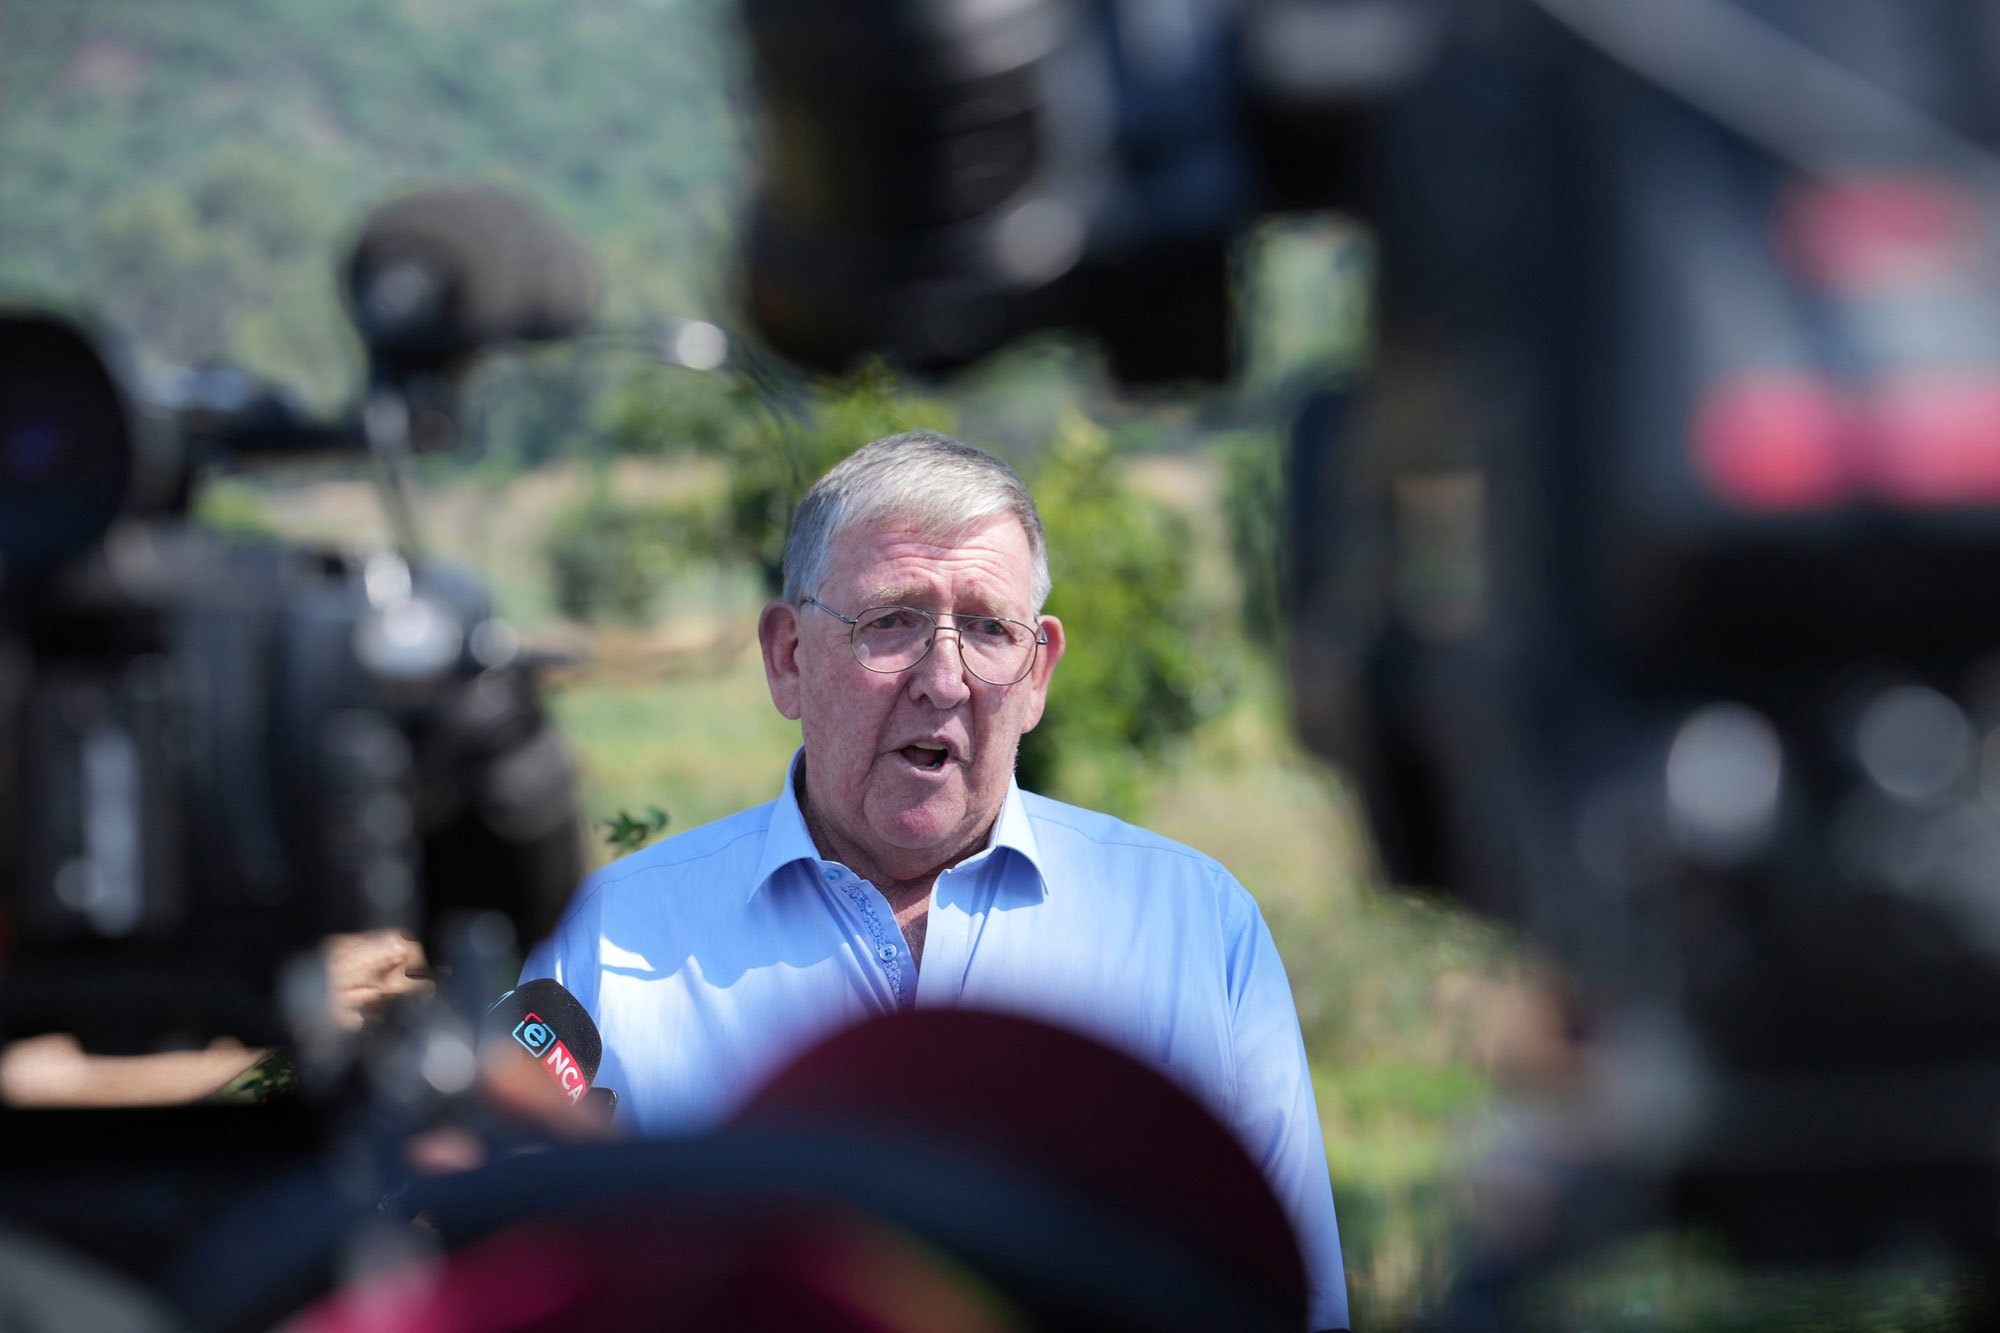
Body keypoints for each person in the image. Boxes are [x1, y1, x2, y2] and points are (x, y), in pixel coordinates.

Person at [522, 432, 1348, 1330]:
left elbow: (1296, 1305)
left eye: (990, 628)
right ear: (788, 656)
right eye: (892, 622)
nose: (944, 678)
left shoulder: (1193, 924)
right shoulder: (611, 936)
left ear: (1038, 674)